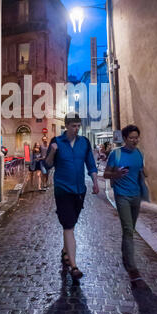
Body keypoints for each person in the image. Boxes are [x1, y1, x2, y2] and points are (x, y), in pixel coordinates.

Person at [45, 113, 99, 280]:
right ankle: (74, 266)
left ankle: (65, 250)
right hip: (62, 188)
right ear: (66, 126)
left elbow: (90, 163)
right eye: (73, 126)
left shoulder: (84, 142)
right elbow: (47, 164)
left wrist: (95, 182)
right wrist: (53, 152)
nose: (76, 129)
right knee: (68, 225)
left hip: (79, 190)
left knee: (72, 222)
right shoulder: (57, 142)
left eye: (78, 126)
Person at [103, 125, 147, 283]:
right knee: (128, 229)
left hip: (136, 196)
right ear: (124, 138)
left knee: (130, 230)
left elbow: (141, 171)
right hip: (122, 196)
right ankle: (132, 268)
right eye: (131, 138)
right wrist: (116, 174)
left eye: (136, 137)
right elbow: (106, 174)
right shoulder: (116, 153)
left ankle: (125, 256)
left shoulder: (139, 153)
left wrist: (144, 173)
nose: (134, 140)